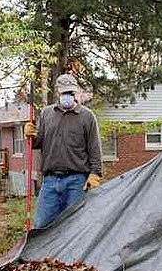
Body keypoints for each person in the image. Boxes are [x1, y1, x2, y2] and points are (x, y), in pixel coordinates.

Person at [24, 73, 103, 229]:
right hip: (50, 182)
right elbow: (38, 143)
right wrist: (29, 135)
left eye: (71, 93)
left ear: (75, 93)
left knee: (74, 228)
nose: (67, 96)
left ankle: (74, 255)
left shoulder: (87, 117)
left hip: (77, 182)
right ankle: (42, 254)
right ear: (58, 93)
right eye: (64, 93)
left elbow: (94, 149)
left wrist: (95, 173)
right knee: (41, 226)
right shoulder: (46, 114)